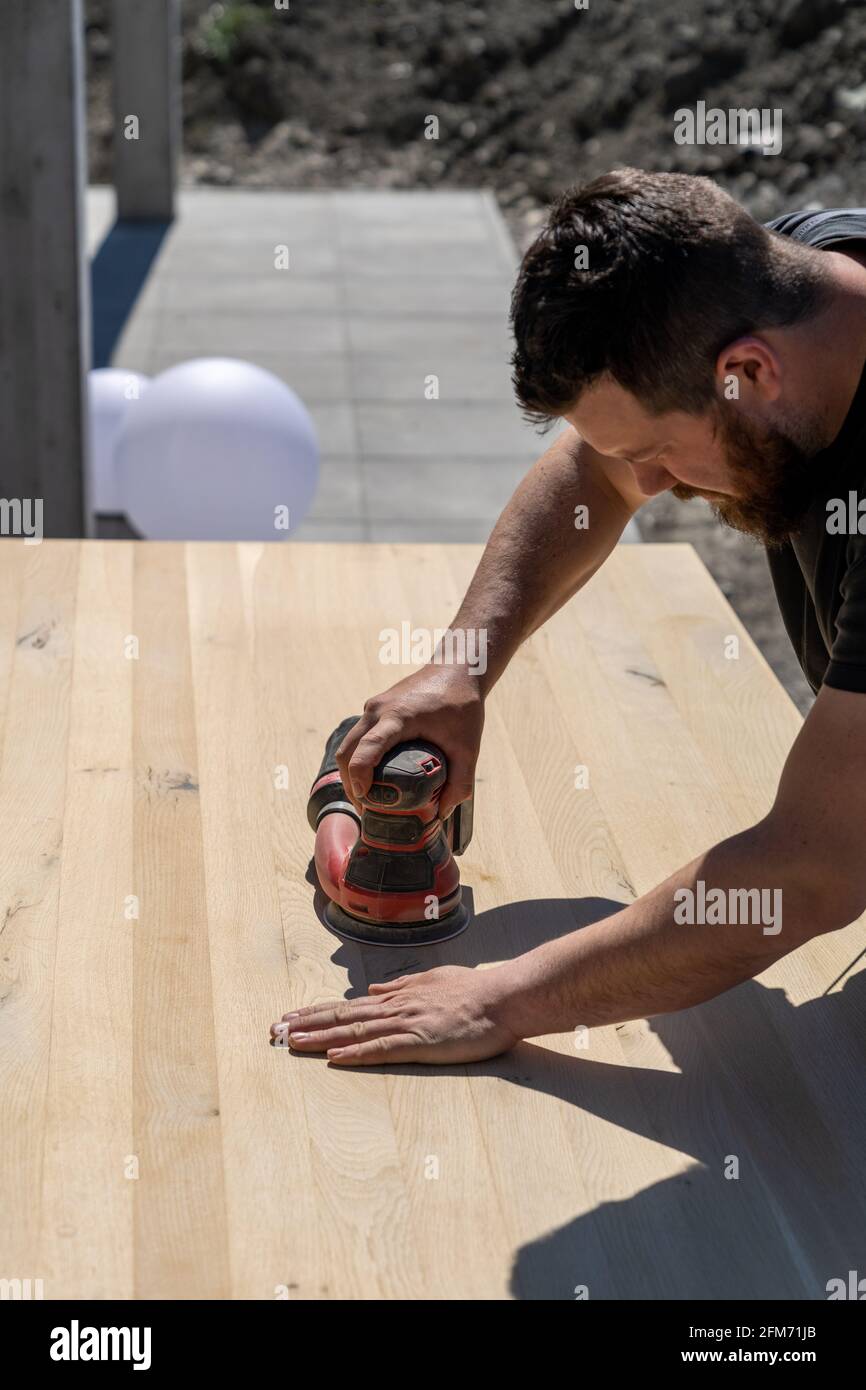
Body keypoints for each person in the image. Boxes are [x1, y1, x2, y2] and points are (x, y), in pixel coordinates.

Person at [271, 169, 866, 1065]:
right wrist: (462, 665)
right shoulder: (797, 279)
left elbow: (809, 870)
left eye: (662, 450)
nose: (655, 484)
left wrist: (502, 999)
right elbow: (597, 475)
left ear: (749, 372)